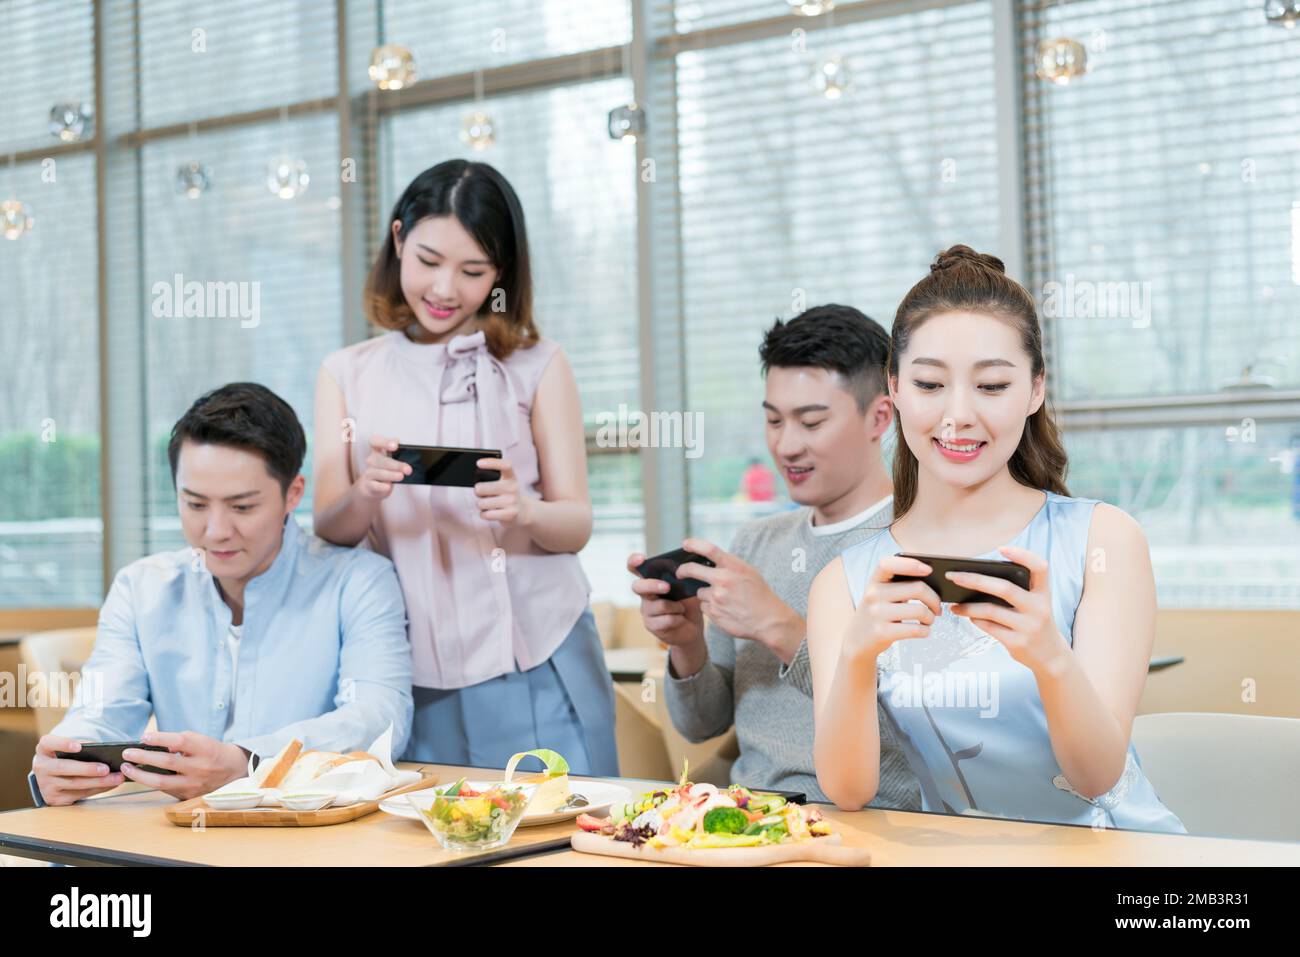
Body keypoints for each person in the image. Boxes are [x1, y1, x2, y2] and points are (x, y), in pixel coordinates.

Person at [807, 245, 1186, 832]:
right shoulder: (845, 582)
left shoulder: (1103, 541)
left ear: (1035, 389)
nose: (958, 414)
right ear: (895, 388)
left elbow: (1098, 779)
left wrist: (1050, 657)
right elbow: (848, 793)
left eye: (990, 385)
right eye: (930, 384)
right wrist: (857, 659)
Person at [312, 159, 618, 775]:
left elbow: (576, 524)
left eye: (473, 271)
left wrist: (524, 510)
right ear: (398, 240)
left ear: (501, 273)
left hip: (539, 651)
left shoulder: (539, 364)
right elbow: (329, 526)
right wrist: (366, 492)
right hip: (410, 664)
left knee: (568, 823)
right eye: (428, 261)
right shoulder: (346, 373)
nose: (445, 289)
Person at [30, 383, 412, 806]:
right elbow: (103, 711)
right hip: (175, 833)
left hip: (313, 832)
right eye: (195, 505)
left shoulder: (359, 581)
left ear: (293, 494)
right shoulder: (140, 588)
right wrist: (66, 758)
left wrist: (250, 762)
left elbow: (379, 717)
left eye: (242, 507)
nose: (215, 532)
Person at [628, 305, 920, 808]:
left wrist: (779, 627)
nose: (786, 445)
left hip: (870, 819)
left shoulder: (915, 546)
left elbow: (920, 731)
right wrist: (687, 645)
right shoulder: (755, 543)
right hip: (747, 817)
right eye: (773, 420)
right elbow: (702, 726)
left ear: (880, 417)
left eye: (811, 422)